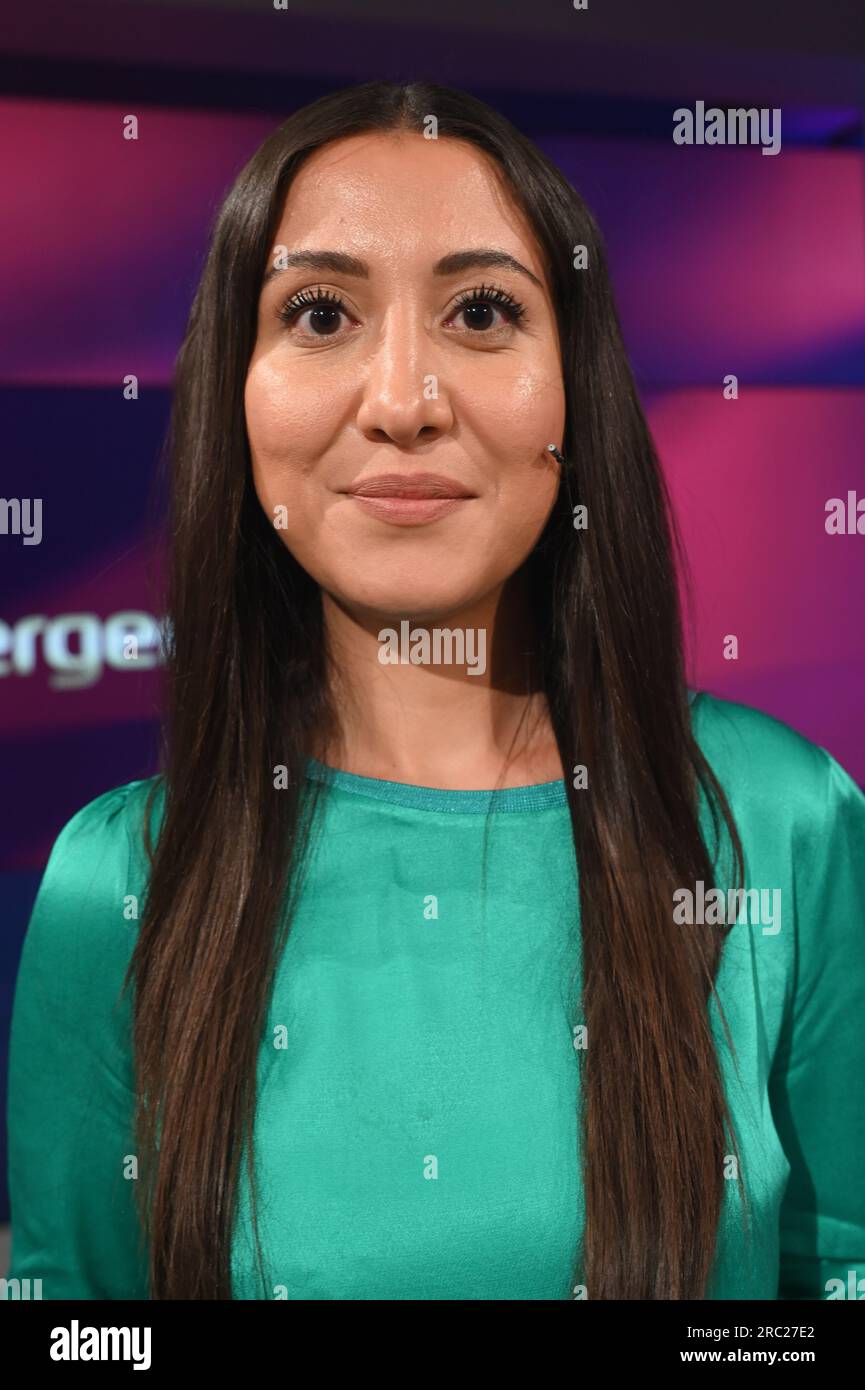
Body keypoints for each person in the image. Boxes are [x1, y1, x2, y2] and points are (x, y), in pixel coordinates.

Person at [6, 80, 865, 1301]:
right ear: (235, 395)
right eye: (316, 313)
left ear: (573, 390)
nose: (403, 402)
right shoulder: (121, 879)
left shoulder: (777, 818)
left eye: (480, 311)